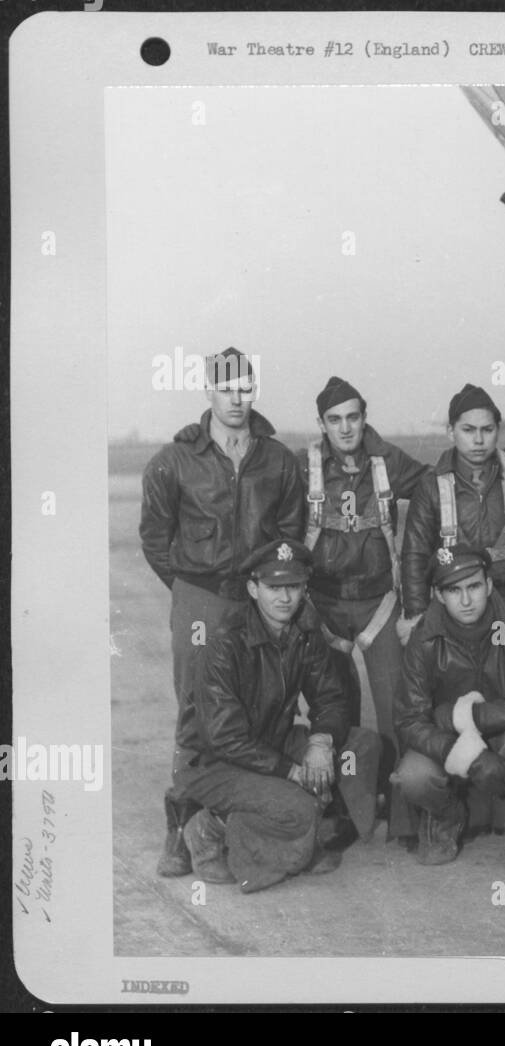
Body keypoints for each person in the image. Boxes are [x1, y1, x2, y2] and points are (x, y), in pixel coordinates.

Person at [140, 347, 306, 876]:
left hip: (257, 598)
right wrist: (192, 587)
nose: (237, 398)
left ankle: (220, 818)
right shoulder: (175, 459)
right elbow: (154, 538)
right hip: (201, 597)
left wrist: (261, 591)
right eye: (226, 387)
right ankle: (179, 828)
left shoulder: (278, 459)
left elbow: (291, 534)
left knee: (253, 703)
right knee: (195, 707)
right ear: (207, 391)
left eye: (245, 387)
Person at [162, 539, 382, 893]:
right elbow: (225, 738)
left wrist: (321, 742)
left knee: (361, 747)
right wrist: (293, 772)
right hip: (212, 764)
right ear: (253, 588)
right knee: (298, 807)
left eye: (293, 587)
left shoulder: (304, 633)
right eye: (273, 588)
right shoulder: (224, 643)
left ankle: (309, 828)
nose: (284, 598)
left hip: (270, 743)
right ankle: (209, 830)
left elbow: (330, 697)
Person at [298, 376, 428, 840]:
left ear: (364, 417)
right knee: (335, 713)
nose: (346, 428)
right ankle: (344, 811)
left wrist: (500, 460)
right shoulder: (304, 466)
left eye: (353, 417)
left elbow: (438, 483)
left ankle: (404, 814)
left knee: (396, 707)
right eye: (335, 420)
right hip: (325, 606)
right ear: (322, 424)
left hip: (380, 603)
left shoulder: (387, 460)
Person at [393, 544, 505, 871]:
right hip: (447, 742)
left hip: (503, 733)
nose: (465, 600)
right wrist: (467, 754)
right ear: (438, 595)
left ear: (490, 585)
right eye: (453, 590)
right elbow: (409, 720)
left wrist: (469, 716)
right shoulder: (423, 638)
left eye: (474, 586)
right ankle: (446, 815)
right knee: (412, 775)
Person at [399, 384, 505, 658]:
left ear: (497, 431)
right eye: (468, 430)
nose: (478, 440)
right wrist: (417, 620)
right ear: (450, 431)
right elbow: (415, 557)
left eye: (487, 430)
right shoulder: (430, 488)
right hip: (456, 606)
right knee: (460, 690)